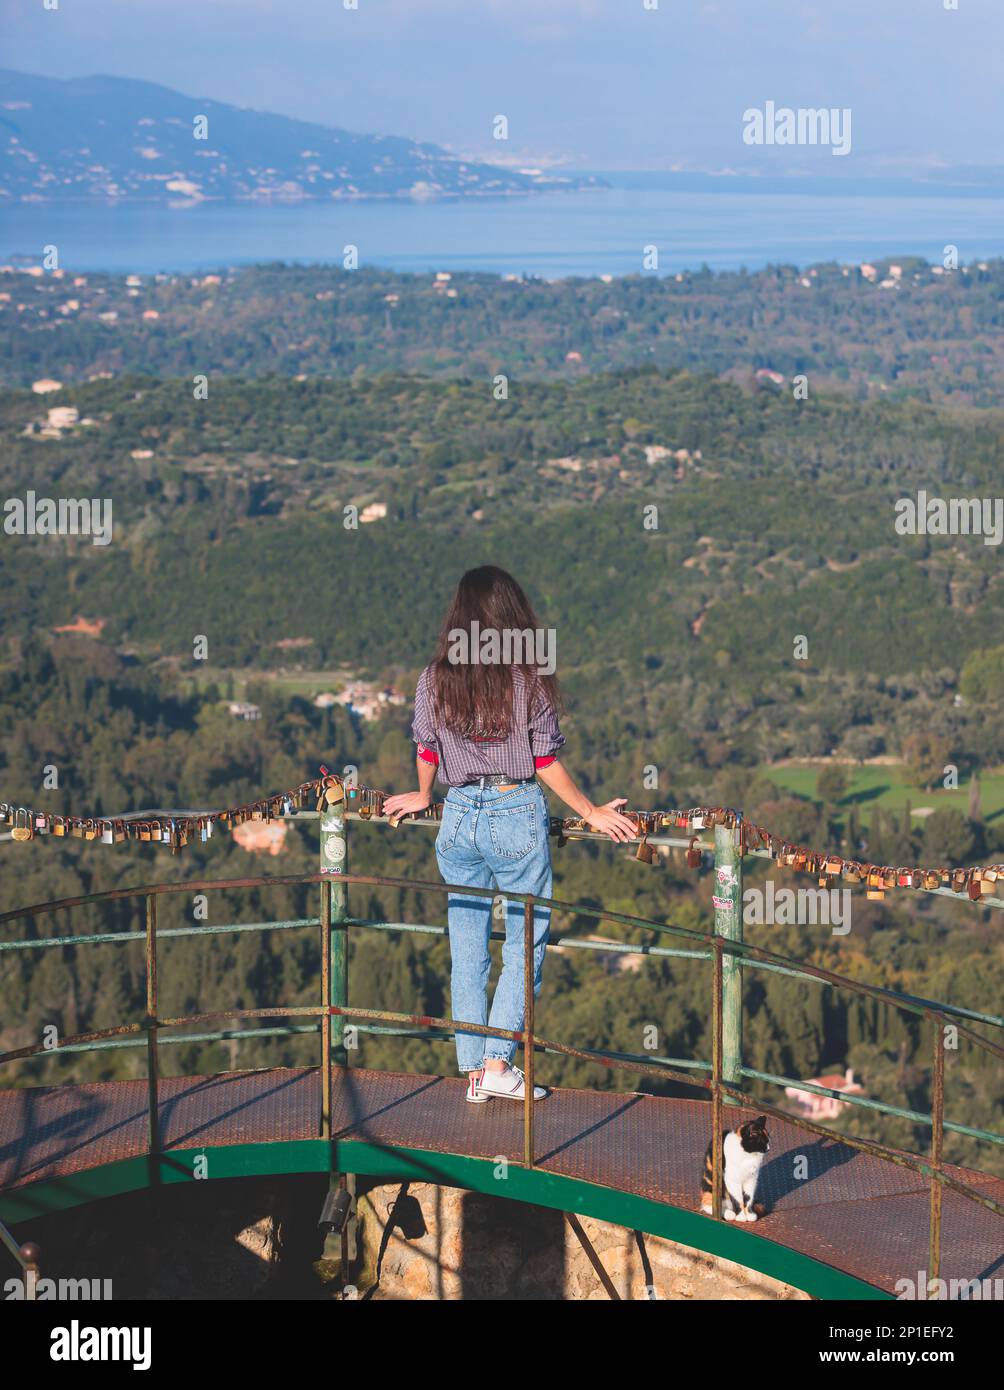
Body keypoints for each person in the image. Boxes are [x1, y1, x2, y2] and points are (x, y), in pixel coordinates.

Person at [383, 566, 636, 1104]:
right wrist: (589, 811)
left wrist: (423, 794)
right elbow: (543, 760)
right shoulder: (527, 679)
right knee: (525, 943)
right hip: (513, 810)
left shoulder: (436, 677)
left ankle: (475, 1074)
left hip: (456, 816)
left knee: (467, 947)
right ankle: (499, 1063)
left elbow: (427, 748)